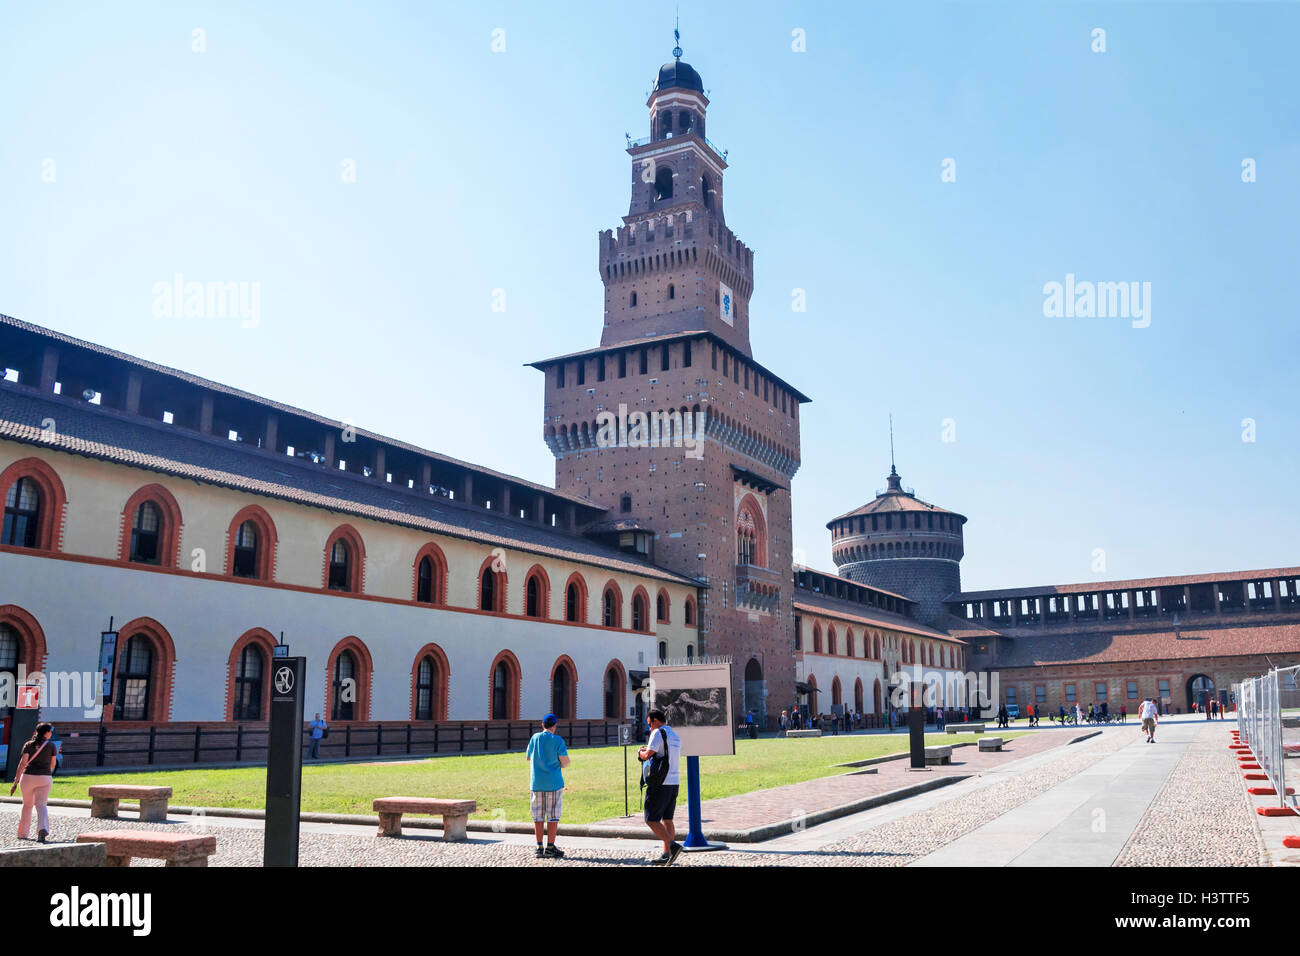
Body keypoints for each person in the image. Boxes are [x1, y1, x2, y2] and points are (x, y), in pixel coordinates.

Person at [638, 709, 683, 865]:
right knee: (668, 819)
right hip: (674, 781)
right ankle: (666, 854)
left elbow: (647, 755)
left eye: (649, 724)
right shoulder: (674, 735)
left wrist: (640, 752)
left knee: (651, 819)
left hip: (660, 783)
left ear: (656, 720)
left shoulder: (657, 733)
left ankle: (672, 845)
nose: (649, 727)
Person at [525, 713, 570, 859]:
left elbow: (528, 757)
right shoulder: (558, 740)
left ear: (542, 725)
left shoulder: (535, 738)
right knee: (553, 816)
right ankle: (550, 847)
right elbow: (565, 762)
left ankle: (539, 847)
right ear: (555, 726)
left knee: (537, 816)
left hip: (536, 782)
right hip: (553, 783)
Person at [11, 722, 56, 842]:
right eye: (50, 731)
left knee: (27, 805)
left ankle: (22, 833)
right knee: (41, 805)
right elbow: (52, 765)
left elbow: (22, 763)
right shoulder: (51, 746)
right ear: (46, 733)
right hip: (45, 778)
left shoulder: (28, 745)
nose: (51, 733)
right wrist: (45, 773)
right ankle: (42, 830)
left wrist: (16, 781)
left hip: (28, 777)